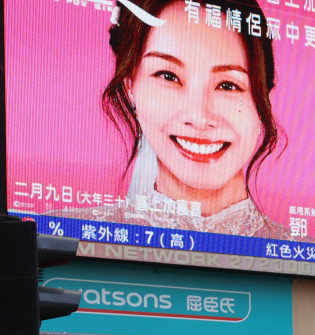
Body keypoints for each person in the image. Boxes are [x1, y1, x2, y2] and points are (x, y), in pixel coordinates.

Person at [91, 0, 284, 237]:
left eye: (228, 85)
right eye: (168, 76)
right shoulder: (68, 233)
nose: (199, 117)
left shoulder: (309, 254)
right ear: (131, 87)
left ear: (264, 100)